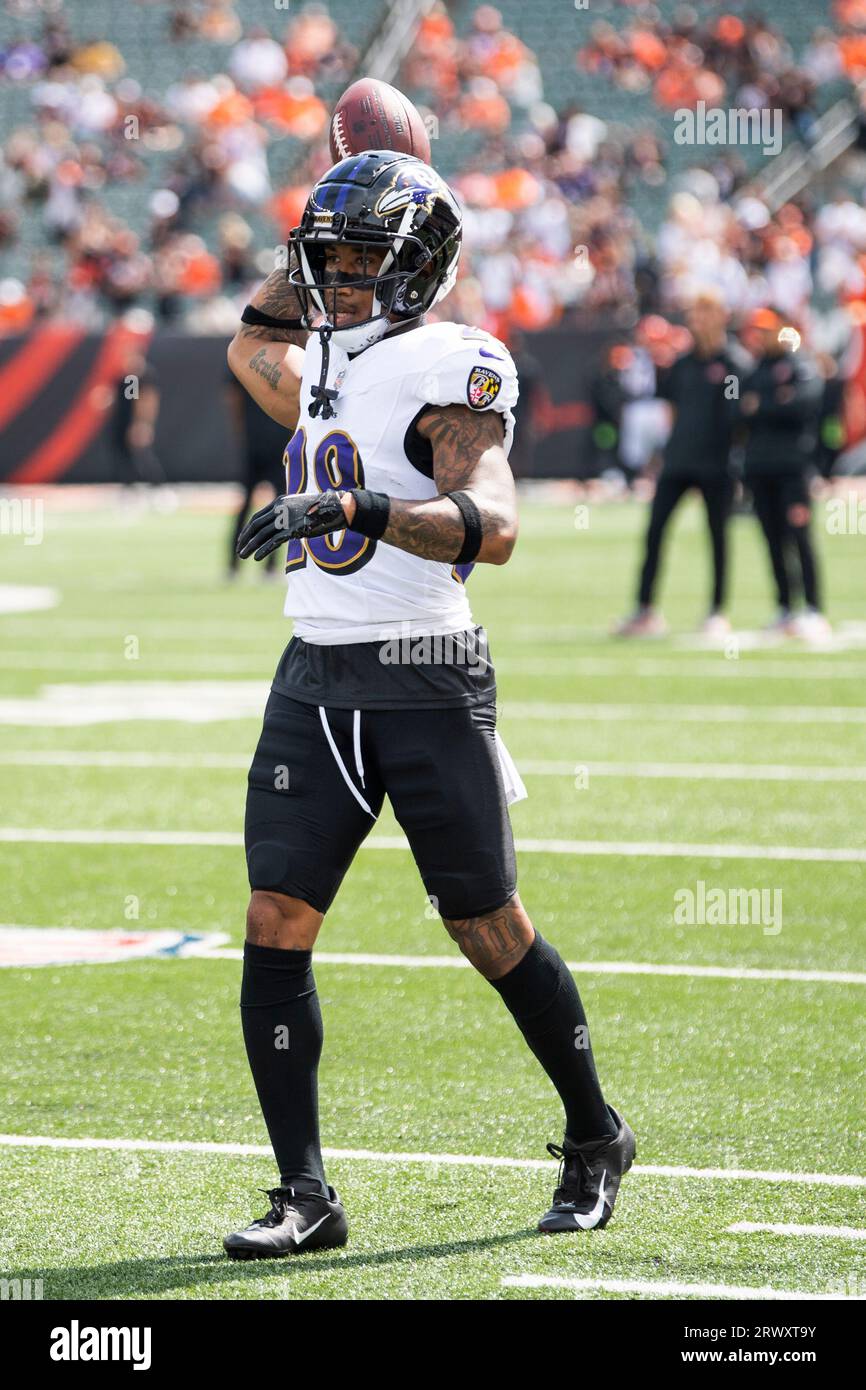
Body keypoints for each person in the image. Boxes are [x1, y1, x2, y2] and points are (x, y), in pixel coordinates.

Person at [221, 150, 635, 1258]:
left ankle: (595, 1133)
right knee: (275, 920)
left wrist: (350, 502)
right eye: (327, 255)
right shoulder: (317, 355)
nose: (334, 275)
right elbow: (249, 339)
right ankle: (303, 1193)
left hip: (423, 677)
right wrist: (317, 215)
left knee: (484, 924)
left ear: (418, 270)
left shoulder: (456, 361)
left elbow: (492, 530)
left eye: (358, 255)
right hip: (313, 675)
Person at [614, 290, 750, 637]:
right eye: (695, 312)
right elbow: (672, 409)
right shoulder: (683, 364)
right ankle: (645, 609)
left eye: (706, 312)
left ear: (722, 316)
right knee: (655, 531)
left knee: (718, 537)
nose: (698, 319)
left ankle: (717, 610)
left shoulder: (733, 364)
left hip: (716, 463)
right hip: (678, 460)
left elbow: (737, 415)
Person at [739, 309, 829, 638]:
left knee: (800, 538)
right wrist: (772, 403)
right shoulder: (754, 369)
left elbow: (804, 403)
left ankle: (814, 608)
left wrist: (762, 406)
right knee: (772, 540)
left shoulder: (799, 362)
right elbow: (738, 407)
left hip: (792, 467)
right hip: (760, 467)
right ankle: (785, 607)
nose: (761, 336)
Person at [224, 366, 289, 579]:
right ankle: (242, 564)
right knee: (271, 505)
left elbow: (233, 396)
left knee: (279, 506)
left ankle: (248, 565)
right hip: (267, 439)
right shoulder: (281, 356)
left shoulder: (248, 353)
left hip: (268, 440)